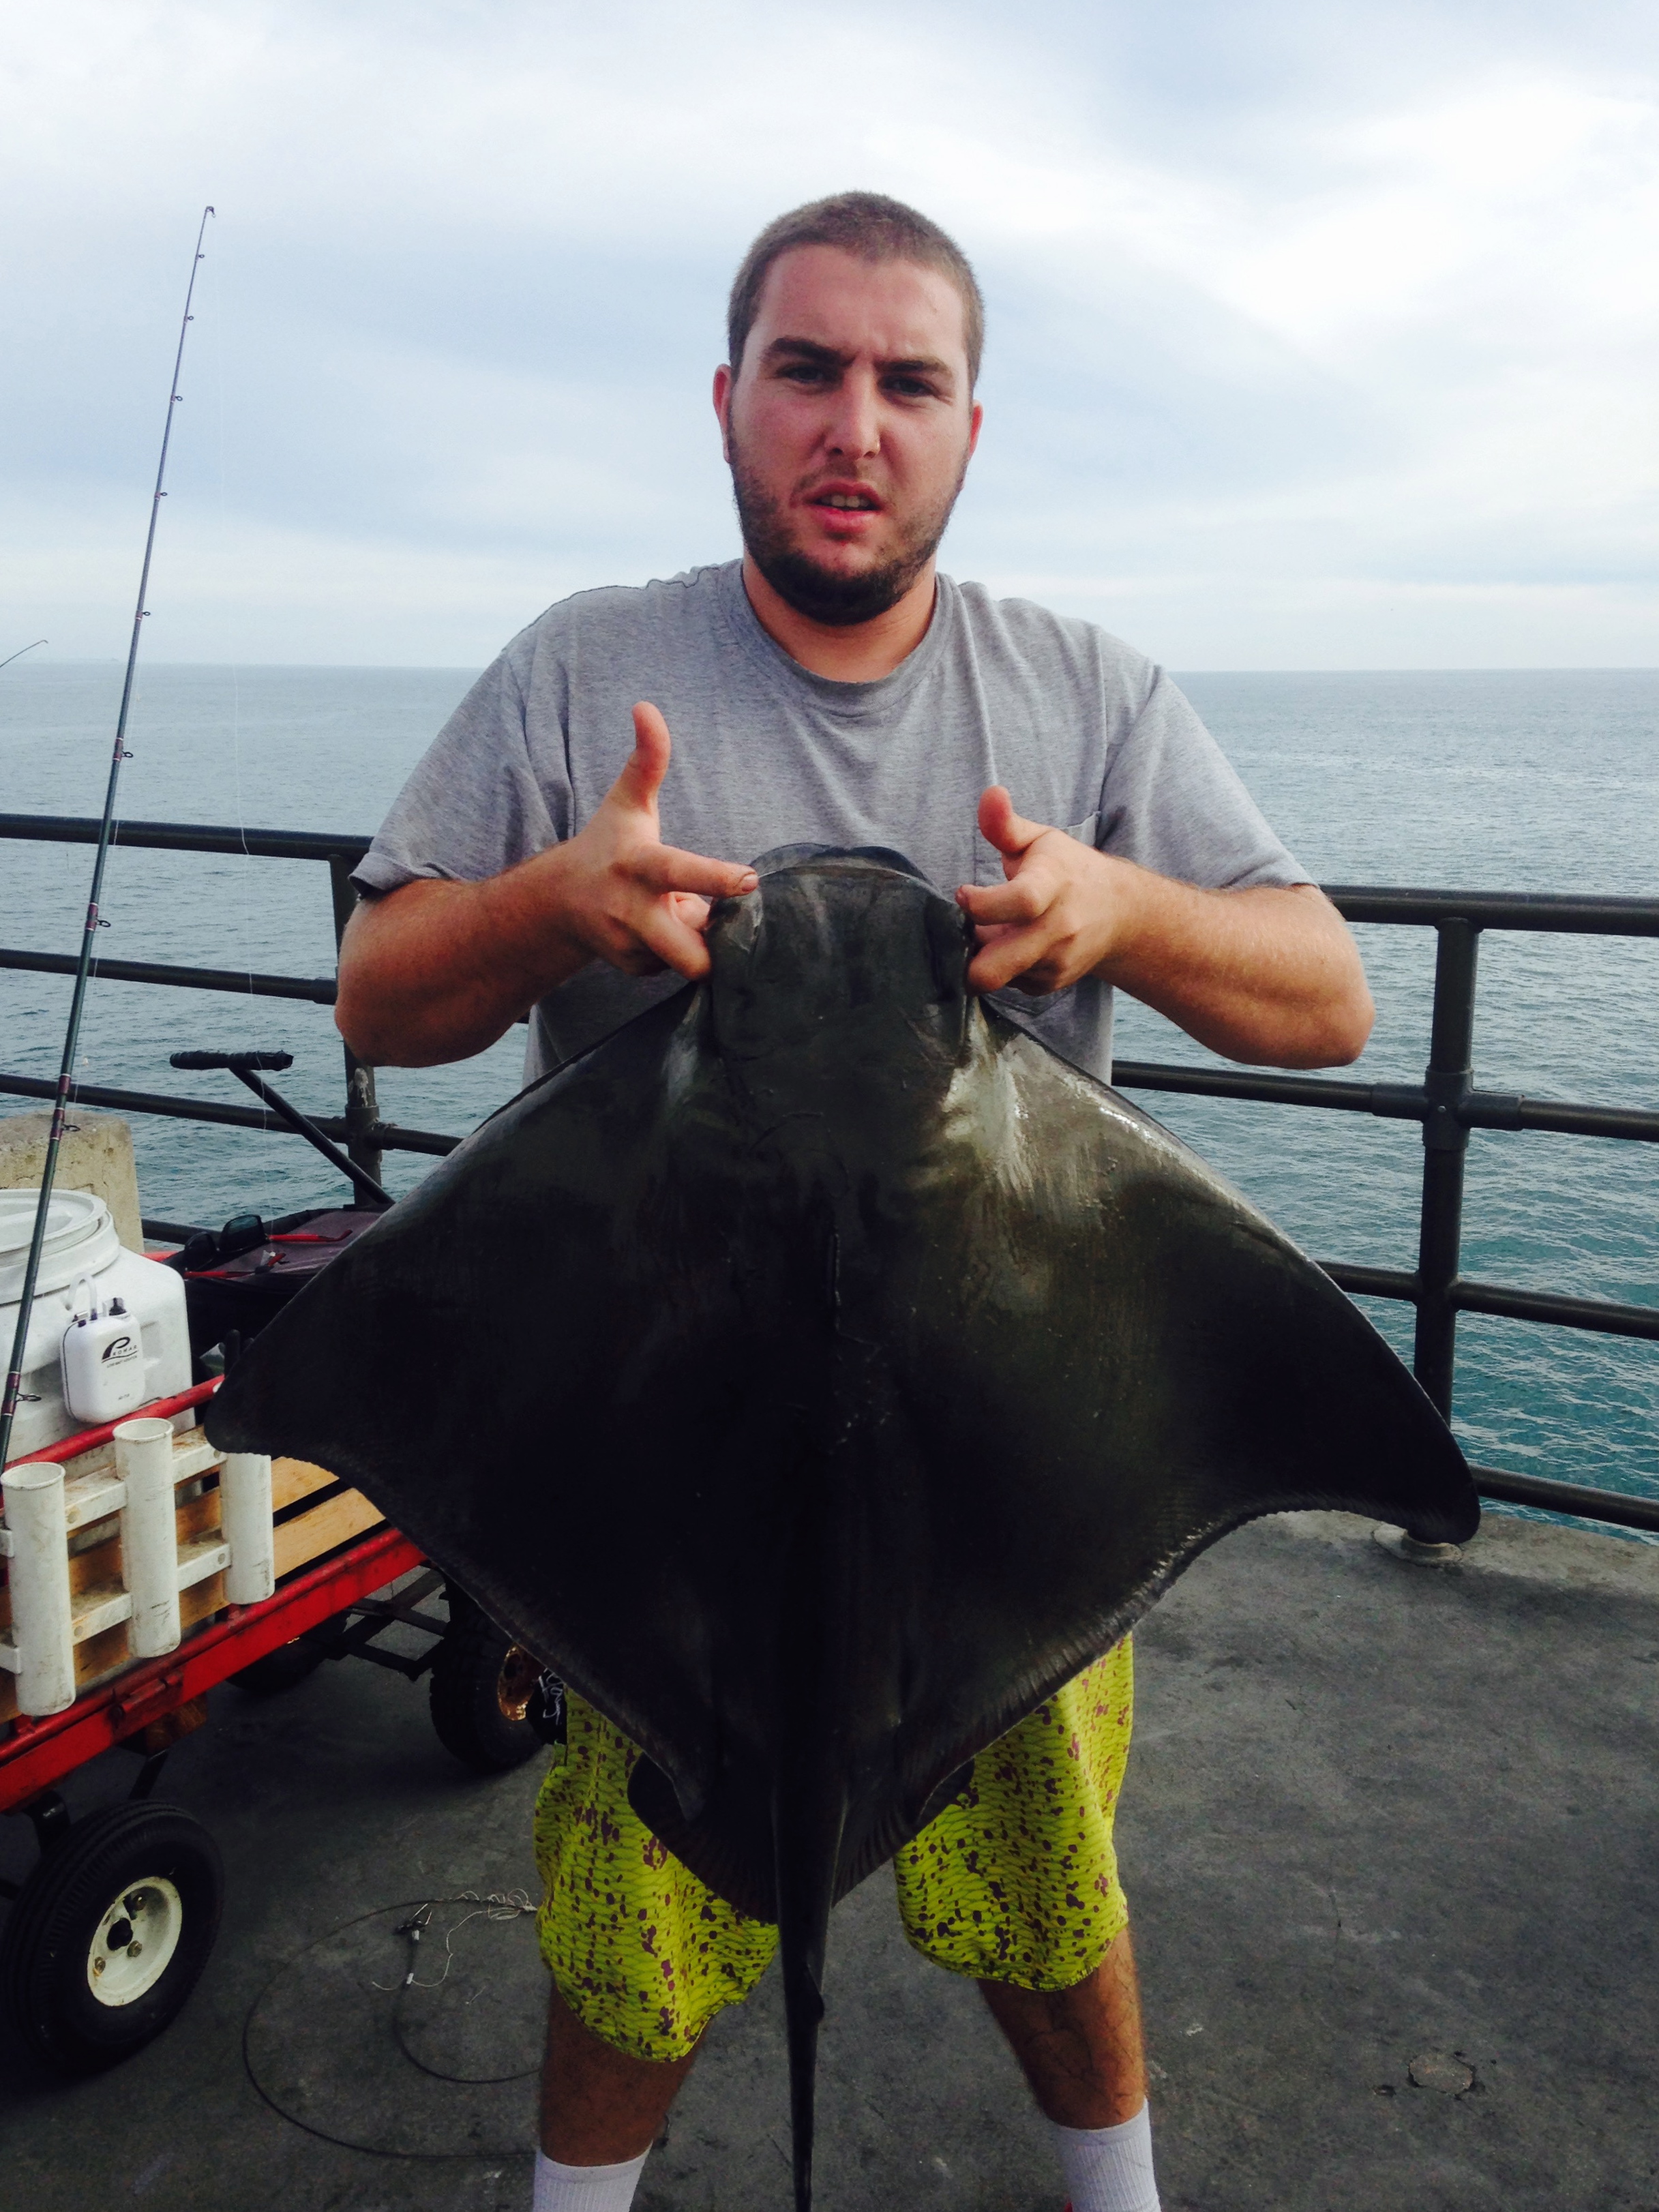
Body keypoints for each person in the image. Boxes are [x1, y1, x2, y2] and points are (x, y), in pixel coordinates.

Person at [337, 192, 1373, 2212]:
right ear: (728, 402)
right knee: (642, 1903)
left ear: (969, 430)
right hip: (664, 1454)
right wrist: (553, 899)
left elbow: (1325, 998)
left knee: (1050, 1881)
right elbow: (381, 999)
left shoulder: (1083, 692)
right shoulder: (583, 671)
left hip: (1010, 1455)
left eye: (910, 381)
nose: (854, 422)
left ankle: (1117, 2196)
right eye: (806, 369)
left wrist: (1128, 907)